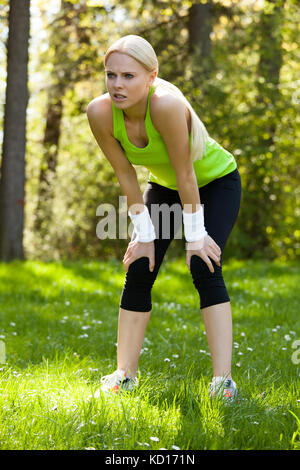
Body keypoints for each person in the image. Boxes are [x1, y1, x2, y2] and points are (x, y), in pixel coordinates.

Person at [86, 35, 242, 402]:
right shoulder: (100, 113)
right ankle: (124, 375)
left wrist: (196, 235)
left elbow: (187, 175)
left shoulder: (167, 106)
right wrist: (142, 234)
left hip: (215, 183)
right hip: (166, 186)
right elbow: (125, 174)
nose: (118, 85)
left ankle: (223, 382)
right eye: (111, 75)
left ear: (151, 76)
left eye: (128, 76)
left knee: (205, 264)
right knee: (140, 265)